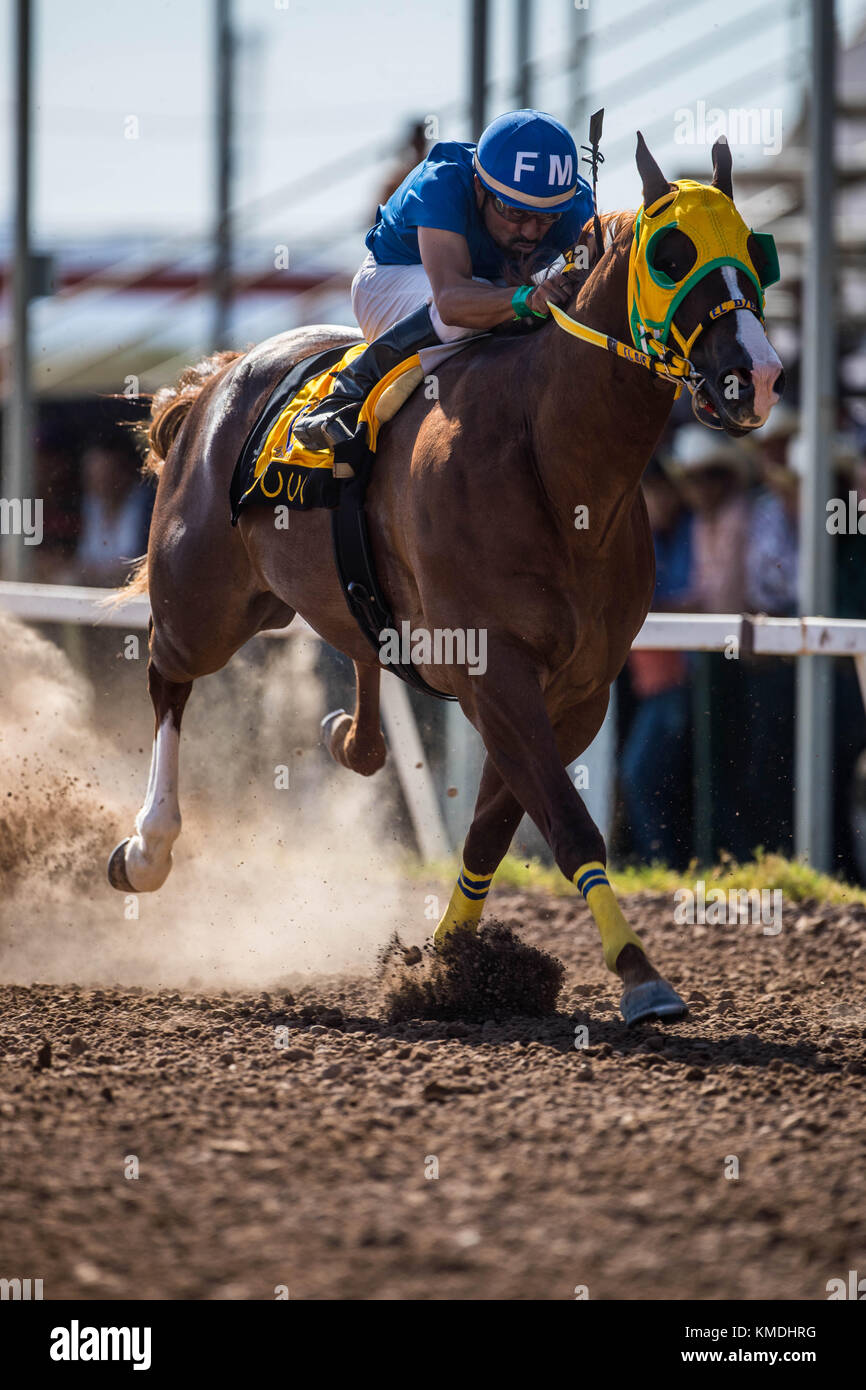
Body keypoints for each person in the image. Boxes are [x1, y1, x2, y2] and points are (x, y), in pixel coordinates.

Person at [293, 109, 594, 453]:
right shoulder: (443, 180)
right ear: (480, 185)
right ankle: (351, 389)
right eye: (514, 213)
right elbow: (452, 302)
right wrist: (527, 299)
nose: (530, 231)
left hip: (478, 290)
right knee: (492, 298)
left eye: (547, 218)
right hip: (390, 284)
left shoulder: (575, 203)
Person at [620, 457, 694, 865]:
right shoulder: (653, 540)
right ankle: (664, 864)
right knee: (648, 777)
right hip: (650, 683)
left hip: (677, 683)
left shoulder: (678, 538)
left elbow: (690, 601)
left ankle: (664, 864)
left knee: (641, 776)